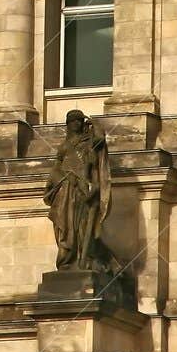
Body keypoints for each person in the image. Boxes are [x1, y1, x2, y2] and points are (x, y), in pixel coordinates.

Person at [45, 110, 111, 270]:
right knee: (64, 223)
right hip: (66, 188)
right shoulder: (64, 145)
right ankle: (66, 259)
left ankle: (83, 257)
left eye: (79, 120)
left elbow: (100, 139)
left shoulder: (89, 141)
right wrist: (60, 179)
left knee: (81, 224)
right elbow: (57, 166)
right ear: (67, 125)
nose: (76, 123)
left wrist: (94, 123)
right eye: (73, 121)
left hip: (83, 188)